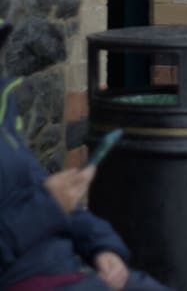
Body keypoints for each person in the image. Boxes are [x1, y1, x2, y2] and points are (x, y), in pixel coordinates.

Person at [0, 20, 174, 291]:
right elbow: (48, 204)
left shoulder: (6, 119)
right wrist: (49, 205)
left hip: (63, 268)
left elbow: (56, 202)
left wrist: (105, 248)